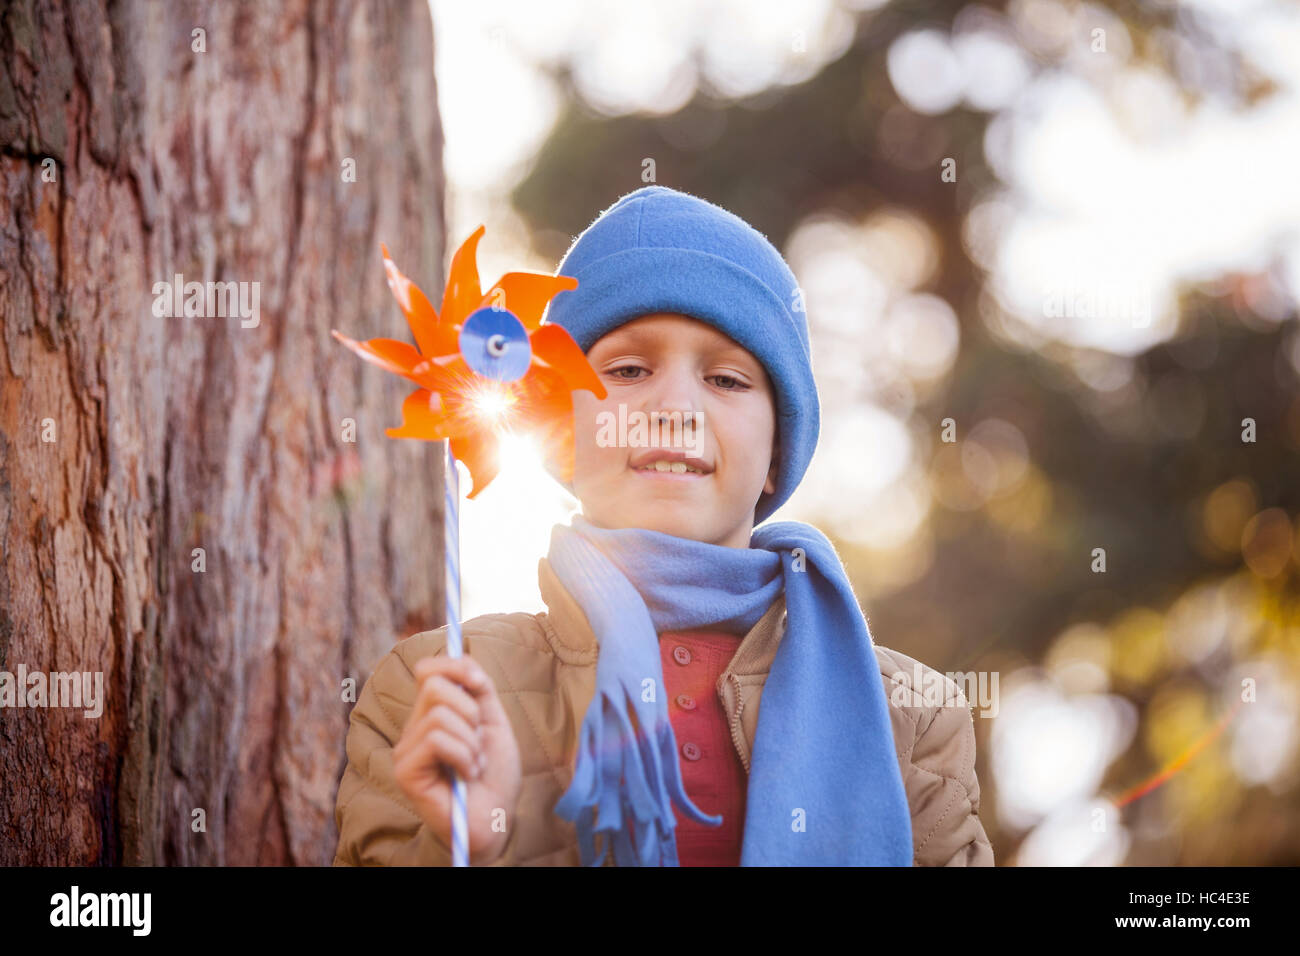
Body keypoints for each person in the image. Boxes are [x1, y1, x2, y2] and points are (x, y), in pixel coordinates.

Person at [332, 185, 994, 866]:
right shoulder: (436, 690)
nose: (675, 406)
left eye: (728, 380)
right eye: (627, 369)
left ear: (777, 455)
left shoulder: (912, 716)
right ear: (562, 430)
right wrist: (468, 842)